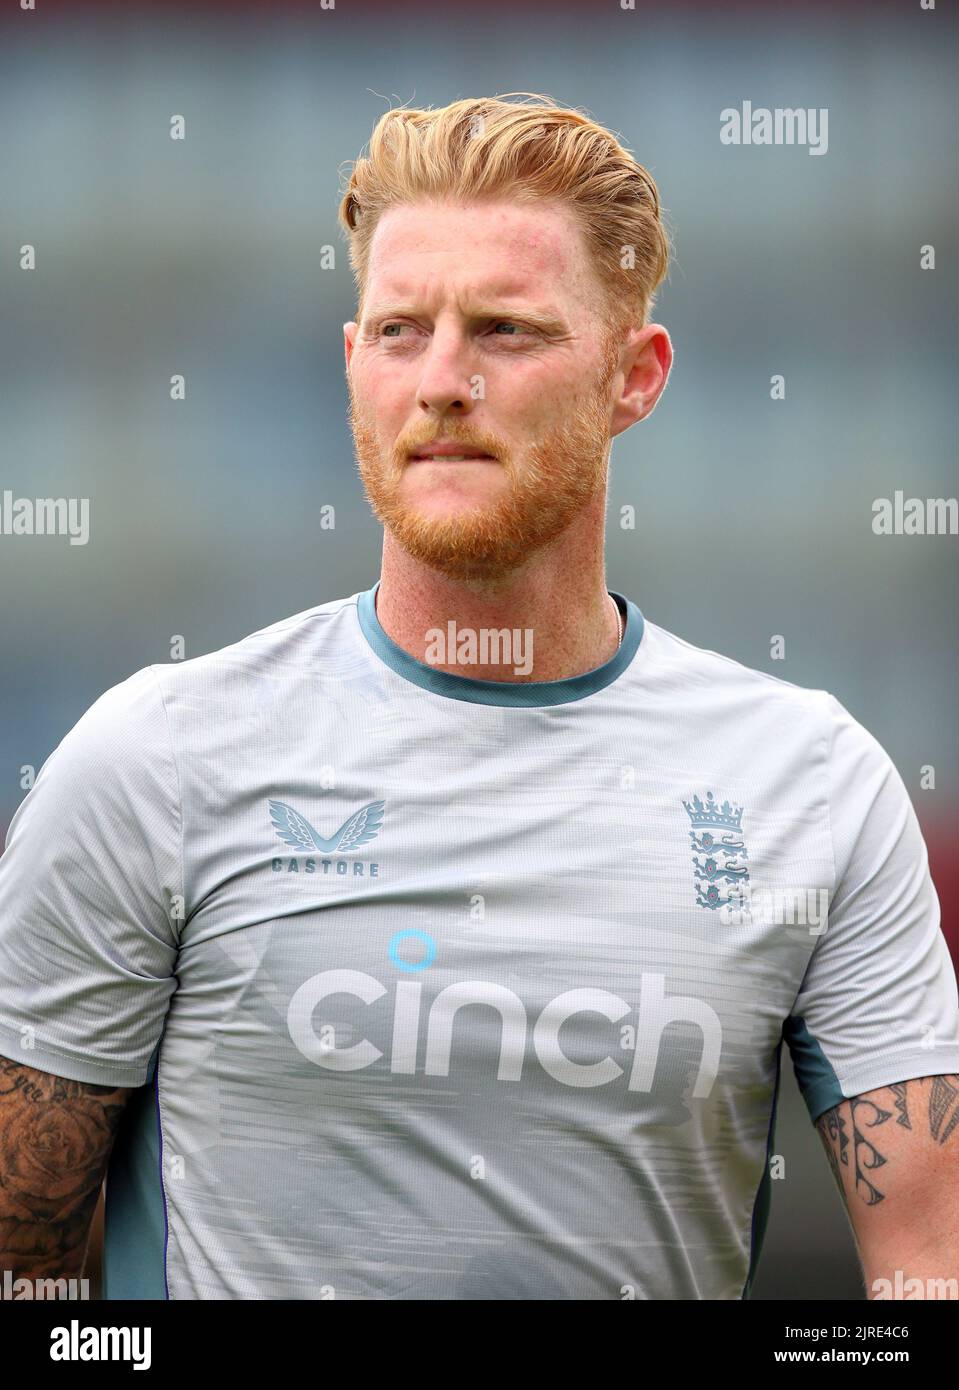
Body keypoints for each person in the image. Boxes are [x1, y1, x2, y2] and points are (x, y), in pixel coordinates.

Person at [1, 93, 957, 1302]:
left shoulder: (809, 782)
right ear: (353, 367)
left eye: (503, 330)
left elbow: (927, 1275)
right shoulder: (156, 758)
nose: (442, 380)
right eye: (400, 330)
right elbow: (22, 1265)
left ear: (633, 377)